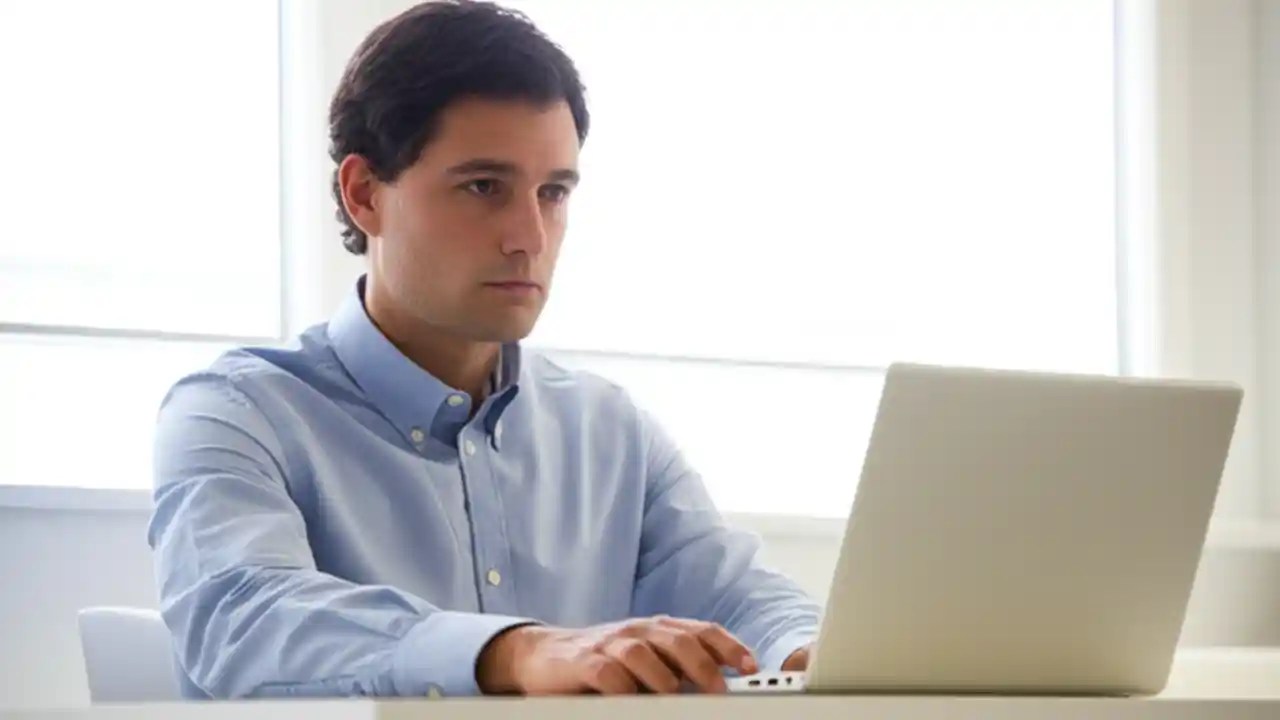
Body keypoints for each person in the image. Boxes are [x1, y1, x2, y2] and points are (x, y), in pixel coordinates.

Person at [148, 0, 821, 699]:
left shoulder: (612, 433)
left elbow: (744, 600)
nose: (529, 235)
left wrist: (809, 650)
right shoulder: (235, 412)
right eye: (483, 187)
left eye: (553, 193)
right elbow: (243, 618)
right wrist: (513, 653)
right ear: (363, 194)